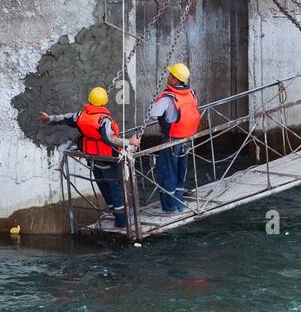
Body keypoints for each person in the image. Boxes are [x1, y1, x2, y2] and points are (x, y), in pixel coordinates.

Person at [41, 87, 139, 228]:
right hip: (108, 159)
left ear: (89, 100)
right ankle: (121, 221)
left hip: (93, 158)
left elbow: (65, 118)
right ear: (104, 102)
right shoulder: (103, 120)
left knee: (103, 185)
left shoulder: (80, 115)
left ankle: (113, 212)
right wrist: (129, 142)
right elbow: (109, 139)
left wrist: (48, 118)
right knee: (115, 187)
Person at [149, 62, 201, 212]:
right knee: (180, 171)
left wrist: (163, 119)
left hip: (171, 141)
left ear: (175, 80)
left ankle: (170, 208)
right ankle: (179, 204)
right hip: (186, 139)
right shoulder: (191, 94)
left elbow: (153, 115)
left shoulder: (168, 98)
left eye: (171, 75)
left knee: (167, 172)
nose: (168, 76)